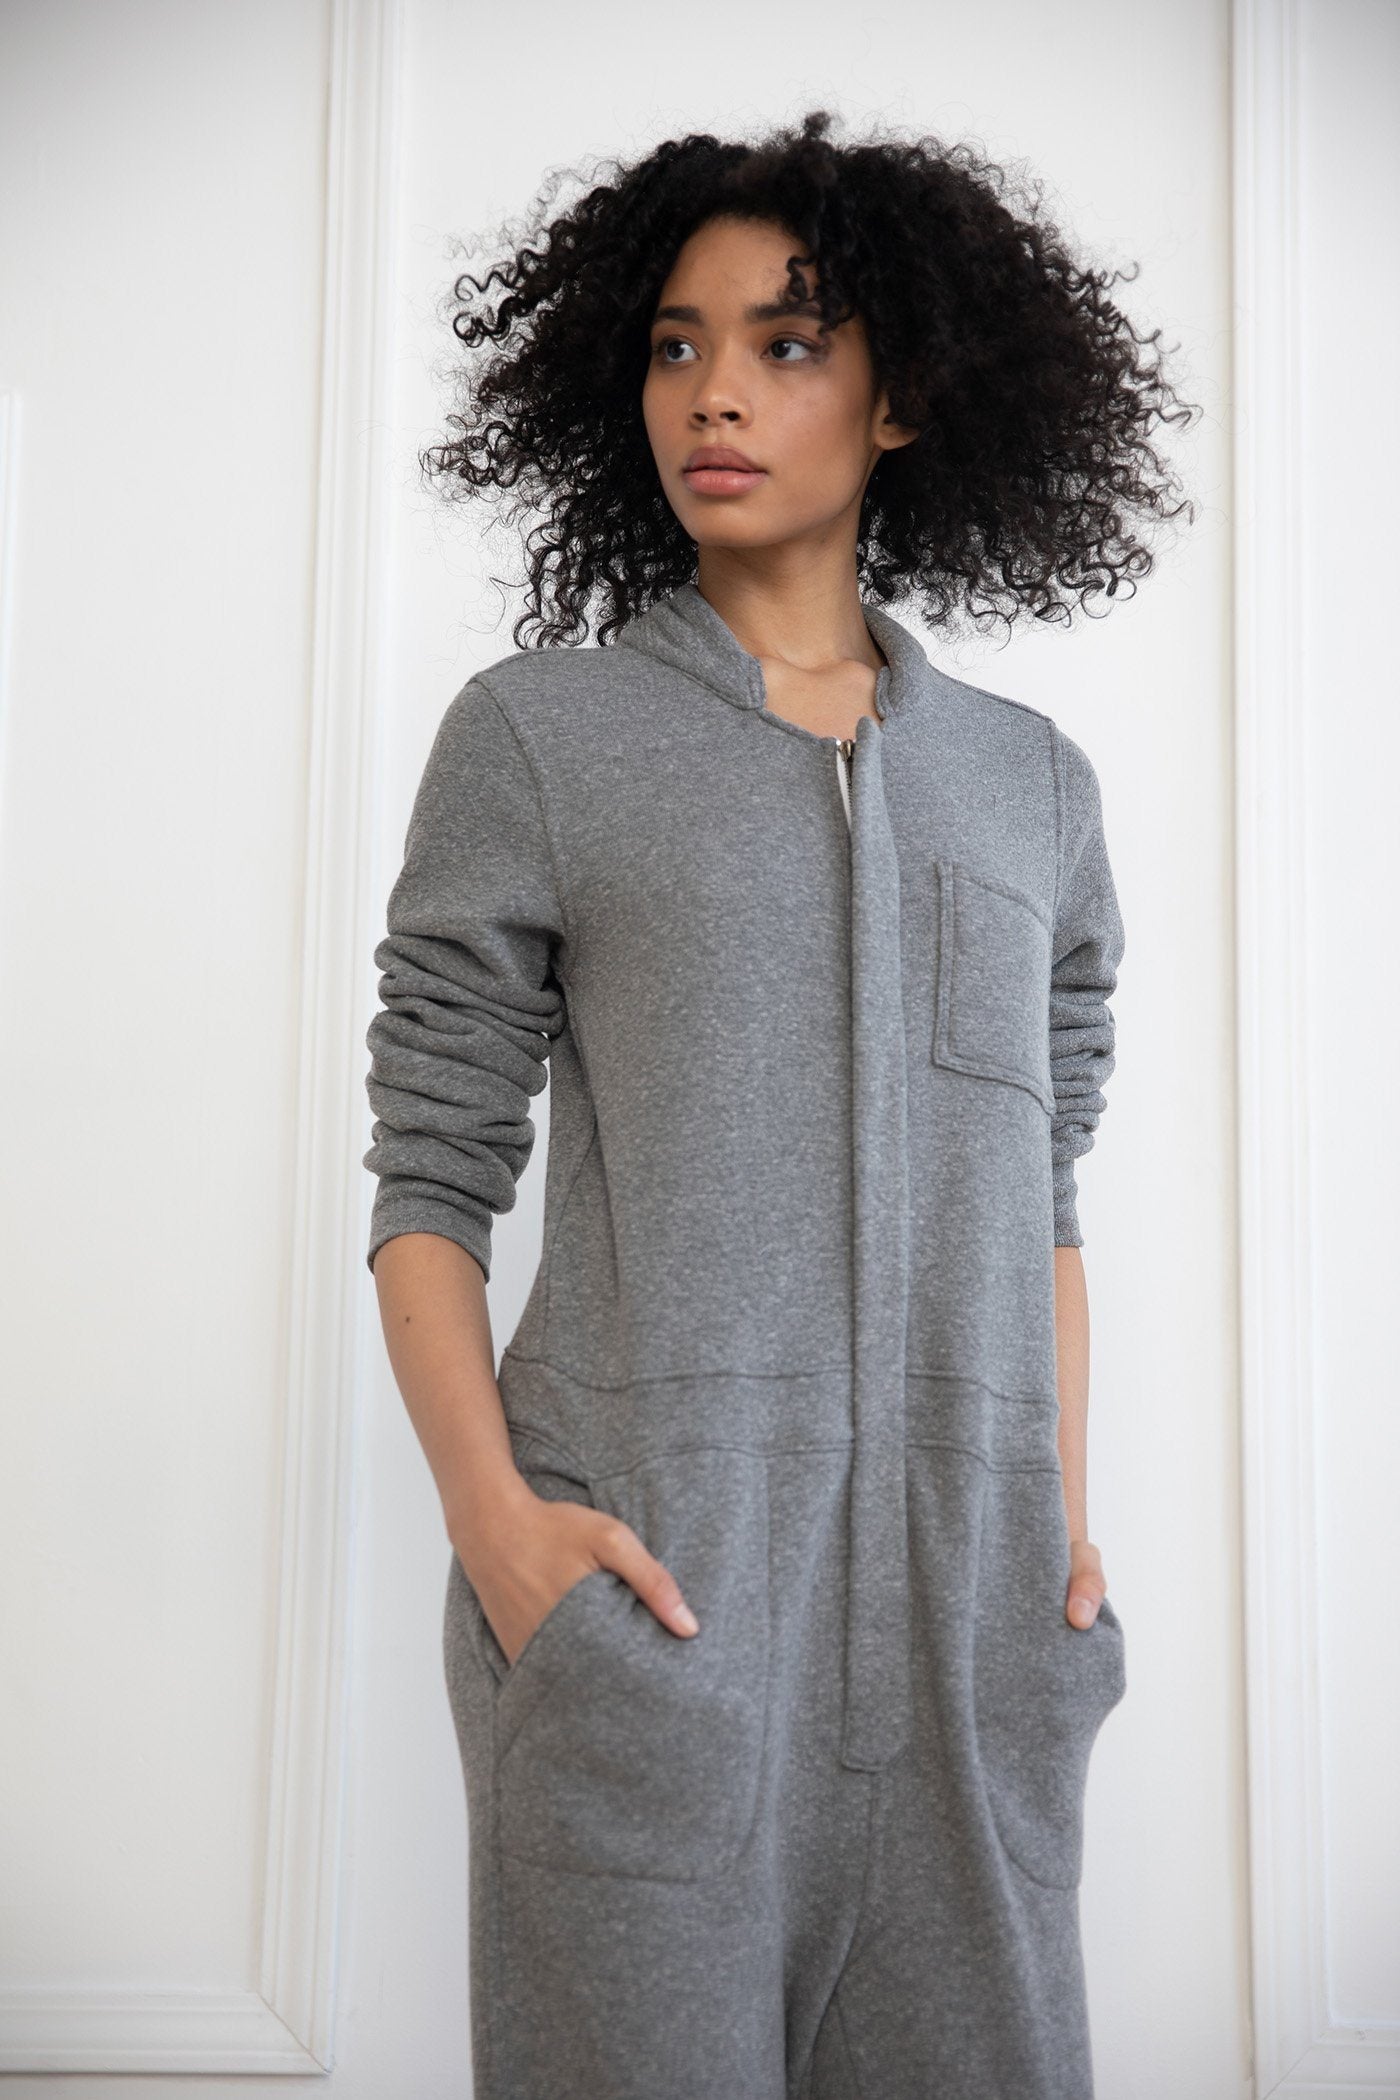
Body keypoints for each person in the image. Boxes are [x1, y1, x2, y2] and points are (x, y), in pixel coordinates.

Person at [363, 108, 1197, 2100]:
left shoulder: (1030, 786)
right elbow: (430, 1175)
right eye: (674, 343)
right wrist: (499, 1533)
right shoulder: (541, 739)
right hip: (655, 1629)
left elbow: (1044, 1195)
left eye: (786, 342)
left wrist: (1058, 1536)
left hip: (971, 1641)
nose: (713, 391)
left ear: (903, 398)